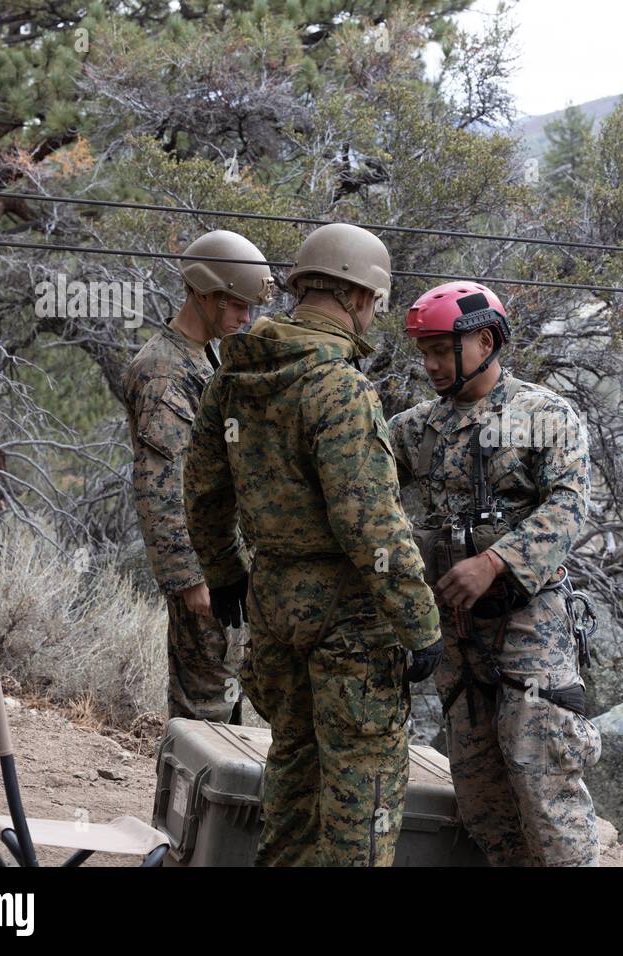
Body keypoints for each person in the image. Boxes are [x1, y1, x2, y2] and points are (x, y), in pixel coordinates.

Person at [183, 222, 442, 866]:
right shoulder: (340, 388)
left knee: (291, 779)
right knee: (363, 796)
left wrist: (224, 573)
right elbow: (369, 522)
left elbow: (204, 488)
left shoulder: (235, 376)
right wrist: (419, 621)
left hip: (273, 606)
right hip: (350, 621)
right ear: (359, 299)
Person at [388, 279, 602, 866]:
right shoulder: (414, 429)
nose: (429, 365)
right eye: (423, 352)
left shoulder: (545, 415)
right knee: (480, 791)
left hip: (529, 627)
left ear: (484, 341)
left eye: (440, 350)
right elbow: (365, 489)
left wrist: (494, 562)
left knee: (544, 774)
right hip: (457, 639)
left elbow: (568, 506)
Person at [122, 229, 273, 723]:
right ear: (205, 295)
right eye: (237, 306)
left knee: (230, 711)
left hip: (223, 562)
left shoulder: (203, 354)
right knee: (204, 715)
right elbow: (160, 483)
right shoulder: (165, 370)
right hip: (204, 572)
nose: (245, 318)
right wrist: (189, 579)